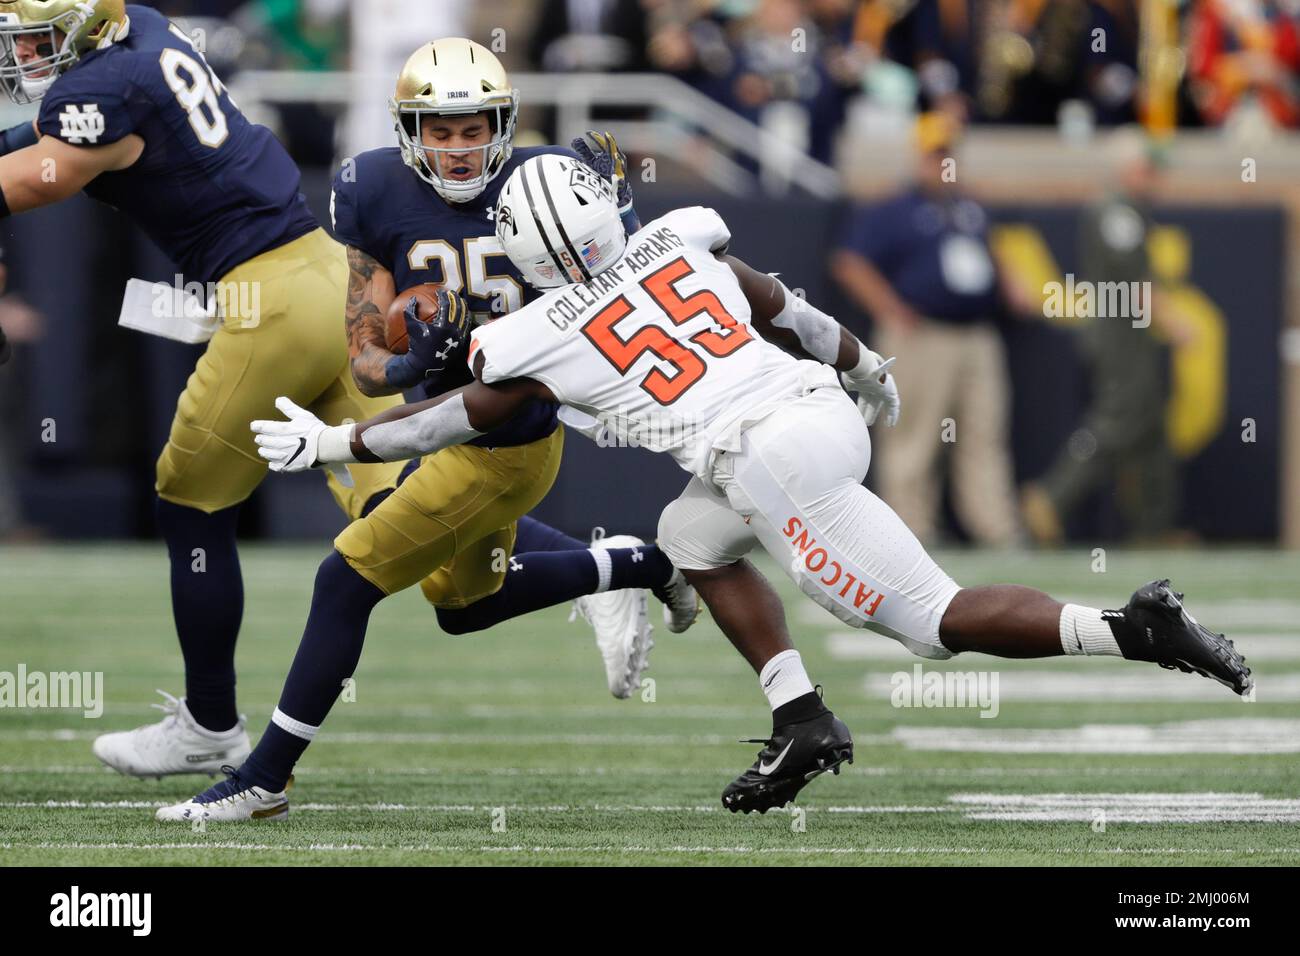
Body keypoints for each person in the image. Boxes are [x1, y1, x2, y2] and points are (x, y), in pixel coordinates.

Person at [155, 154, 1251, 822]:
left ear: (534, 250)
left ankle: (1131, 627)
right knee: (688, 533)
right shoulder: (681, 236)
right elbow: (779, 301)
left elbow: (453, 417)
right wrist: (864, 367)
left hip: (773, 459)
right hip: (808, 415)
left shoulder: (540, 326)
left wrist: (333, 449)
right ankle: (800, 716)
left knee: (929, 624)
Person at [0, 0, 406, 775]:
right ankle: (621, 569)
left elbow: (32, 180)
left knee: (189, 499)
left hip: (272, 301)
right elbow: (46, 143)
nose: (21, 54)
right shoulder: (144, 28)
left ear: (83, 30)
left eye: (34, 39)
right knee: (418, 507)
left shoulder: (97, 92)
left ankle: (210, 723)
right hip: (327, 269)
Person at [831, 112, 1023, 547]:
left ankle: (996, 529)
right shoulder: (896, 208)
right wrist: (891, 308)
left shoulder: (969, 209)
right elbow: (849, 262)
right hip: (921, 335)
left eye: (948, 154)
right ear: (918, 157)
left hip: (975, 334)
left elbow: (990, 254)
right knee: (913, 435)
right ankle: (911, 531)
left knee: (983, 434)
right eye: (936, 155)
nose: (943, 164)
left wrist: (1010, 286)